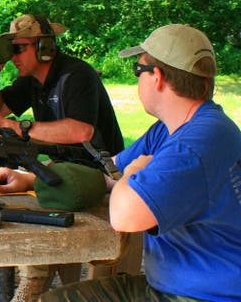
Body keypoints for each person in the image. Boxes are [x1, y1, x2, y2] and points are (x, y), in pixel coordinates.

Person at [13, 24, 241, 302]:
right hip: (175, 287)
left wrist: (131, 174)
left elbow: (124, 216)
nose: (137, 80)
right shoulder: (176, 128)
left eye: (138, 70)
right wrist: (32, 178)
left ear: (156, 77)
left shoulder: (195, 143)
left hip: (202, 296)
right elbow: (109, 173)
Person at [0, 14, 125, 301]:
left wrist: (22, 128)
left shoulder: (76, 75)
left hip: (97, 170)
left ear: (44, 47)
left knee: (38, 204)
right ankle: (8, 264)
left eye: (19, 48)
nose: (14, 56)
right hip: (60, 168)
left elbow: (81, 131)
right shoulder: (32, 79)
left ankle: (33, 278)